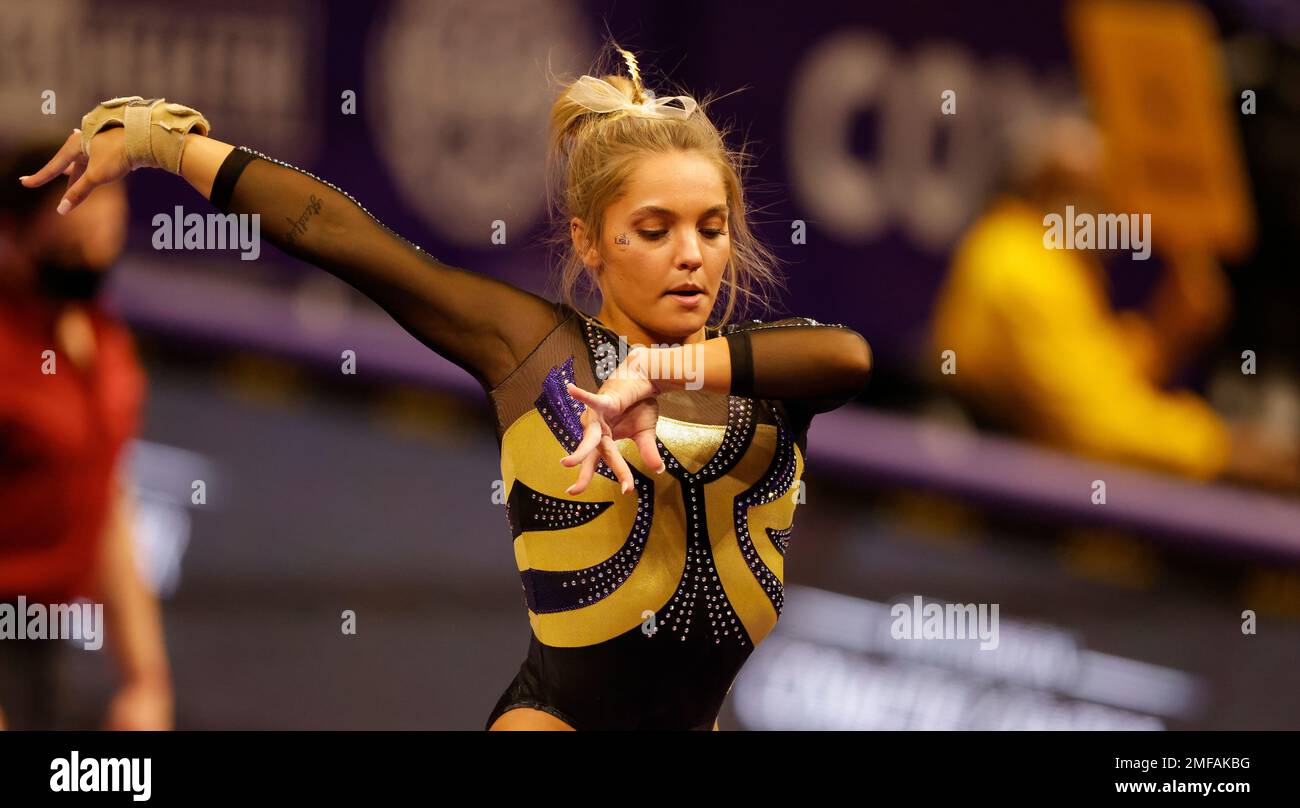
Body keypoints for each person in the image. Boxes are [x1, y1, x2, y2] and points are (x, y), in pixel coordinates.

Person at [21, 45, 872, 730]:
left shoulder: (772, 378)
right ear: (590, 242)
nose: (691, 253)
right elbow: (346, 238)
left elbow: (849, 356)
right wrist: (160, 140)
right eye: (653, 229)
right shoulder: (537, 351)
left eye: (711, 227)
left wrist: (662, 367)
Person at [928, 113, 1299, 489]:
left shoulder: (1047, 258)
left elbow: (1093, 376)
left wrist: (1164, 335)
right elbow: (1097, 427)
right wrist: (1223, 449)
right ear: (1048, 188)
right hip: (986, 515)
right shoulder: (1021, 263)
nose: (1114, 216)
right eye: (1096, 195)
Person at [0, 140, 172, 730]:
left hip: (48, 642)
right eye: (75, 240)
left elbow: (108, 503)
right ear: (12, 234)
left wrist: (146, 682)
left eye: (108, 232)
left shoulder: (101, 333)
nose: (100, 233)